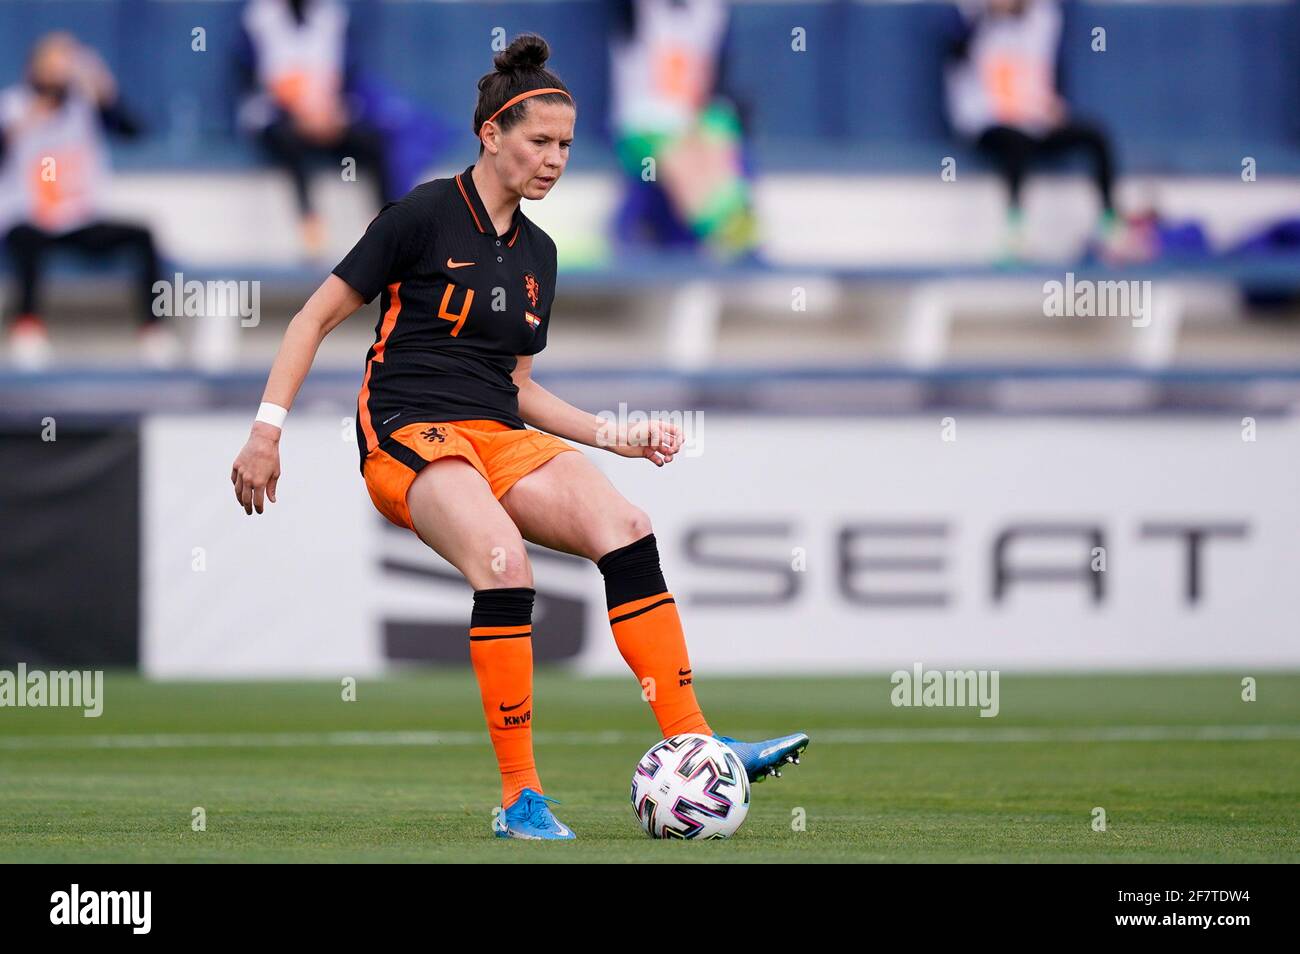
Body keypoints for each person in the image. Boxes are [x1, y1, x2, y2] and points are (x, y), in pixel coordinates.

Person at [229, 33, 808, 840]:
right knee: (504, 564)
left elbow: (520, 388)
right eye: (539, 140)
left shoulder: (540, 253)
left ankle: (699, 744)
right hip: (408, 429)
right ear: (491, 135)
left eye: (567, 144)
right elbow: (312, 318)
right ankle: (519, 799)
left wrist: (616, 437)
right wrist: (267, 431)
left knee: (627, 527)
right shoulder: (422, 214)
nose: (554, 158)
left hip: (496, 432)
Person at [0, 32, 178, 370]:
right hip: (29, 216)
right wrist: (18, 130)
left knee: (143, 235)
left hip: (79, 216)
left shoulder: (85, 105)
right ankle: (26, 328)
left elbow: (133, 131)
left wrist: (108, 94)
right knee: (26, 241)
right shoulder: (11, 108)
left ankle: (154, 330)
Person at [943, 0, 1148, 263]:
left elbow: (1045, 72)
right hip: (987, 122)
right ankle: (1014, 234)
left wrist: (1052, 106)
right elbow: (955, 50)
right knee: (1015, 142)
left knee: (1095, 135)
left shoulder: (1044, 16)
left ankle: (1109, 225)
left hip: (1033, 120)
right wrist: (986, 17)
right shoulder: (969, 17)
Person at [235, 0, 395, 257]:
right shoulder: (259, 15)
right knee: (289, 142)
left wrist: (327, 111)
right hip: (277, 114)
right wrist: (300, 109)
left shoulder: (332, 14)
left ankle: (383, 228)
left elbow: (341, 73)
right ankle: (310, 224)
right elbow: (258, 78)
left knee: (372, 142)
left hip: (326, 113)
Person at [608, 0, 761, 261]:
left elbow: (717, 83)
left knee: (717, 136)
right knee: (680, 159)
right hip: (644, 126)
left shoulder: (711, 11)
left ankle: (728, 226)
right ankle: (719, 230)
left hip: (693, 120)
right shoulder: (639, 11)